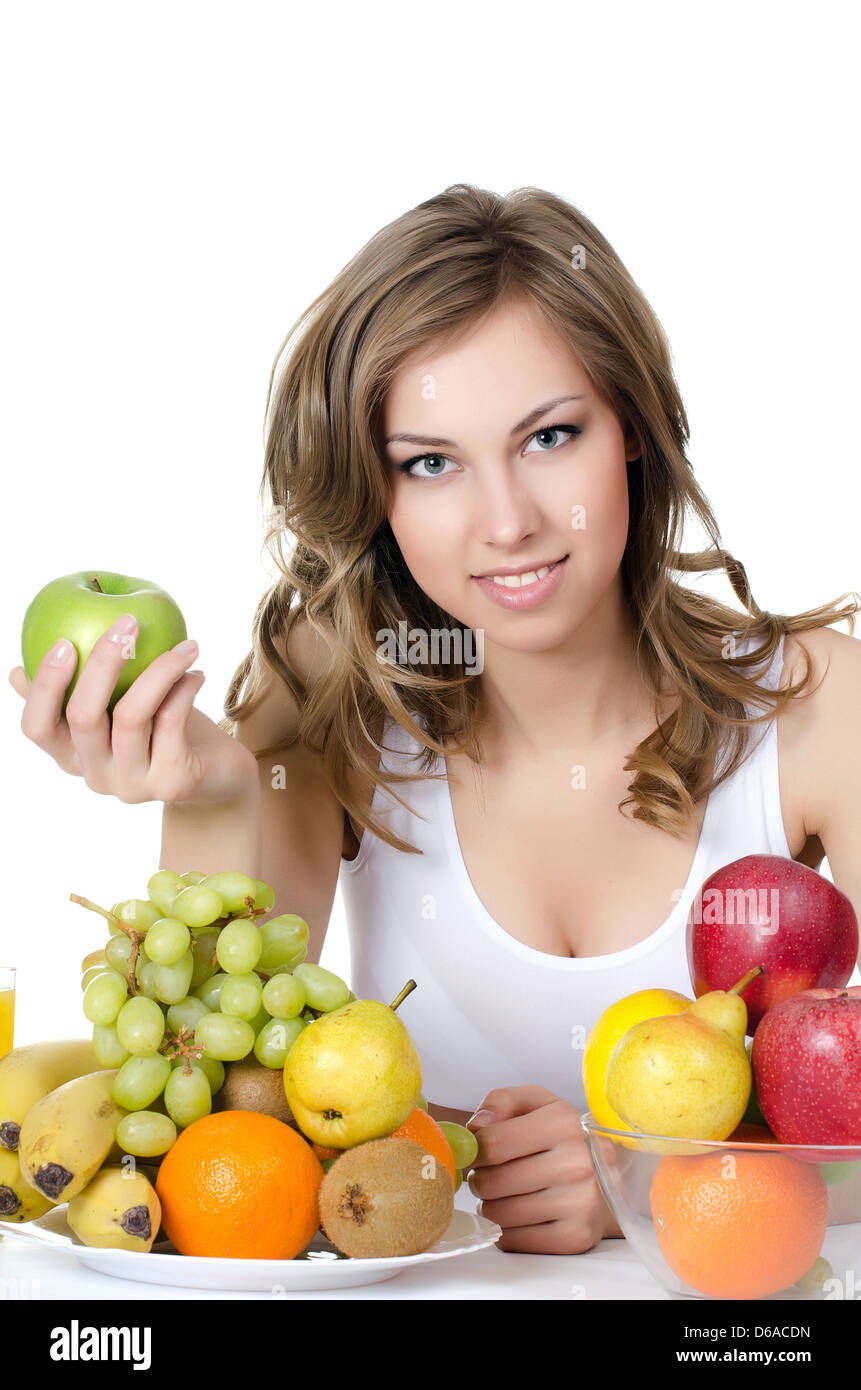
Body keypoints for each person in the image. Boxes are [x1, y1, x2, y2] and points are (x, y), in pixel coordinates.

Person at [10, 183, 861, 1256]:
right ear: (376, 490)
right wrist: (215, 787)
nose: (507, 522)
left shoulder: (820, 707)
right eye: (430, 461)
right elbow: (222, 1114)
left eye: (550, 436)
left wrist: (650, 1183)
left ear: (633, 430)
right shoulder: (336, 692)